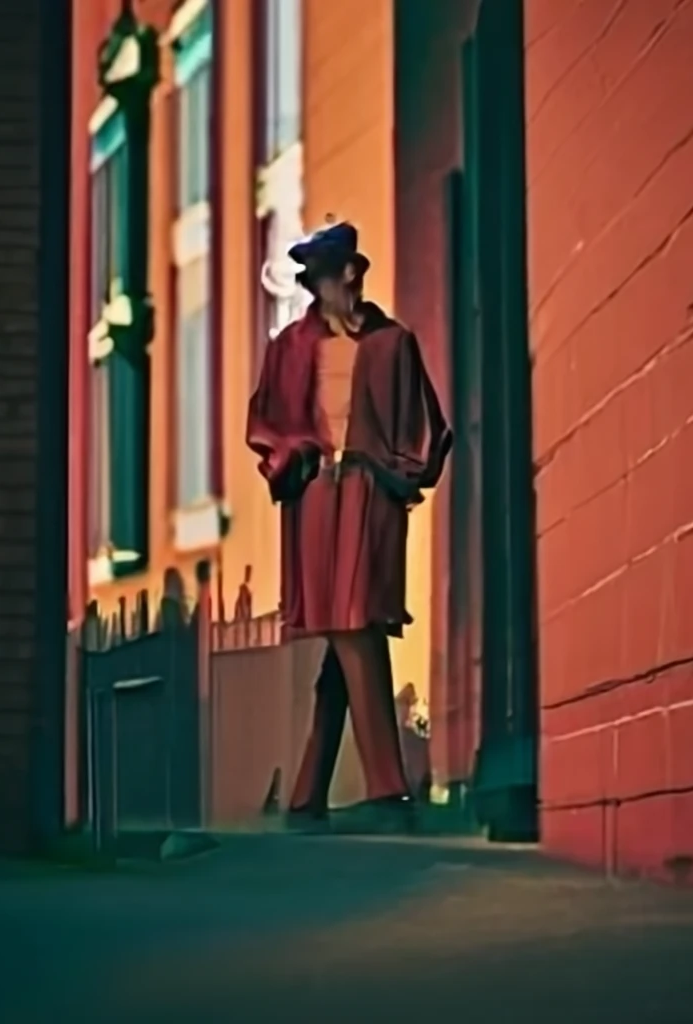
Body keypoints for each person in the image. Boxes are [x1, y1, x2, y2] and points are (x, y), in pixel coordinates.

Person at [246, 220, 451, 831]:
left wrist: (398, 471)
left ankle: (381, 794)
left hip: (368, 493)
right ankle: (314, 797)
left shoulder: (391, 342)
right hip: (314, 497)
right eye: (339, 273)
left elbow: (426, 426)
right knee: (345, 631)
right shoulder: (289, 348)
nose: (352, 280)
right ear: (319, 282)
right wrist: (295, 452)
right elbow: (265, 423)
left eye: (354, 269)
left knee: (355, 625)